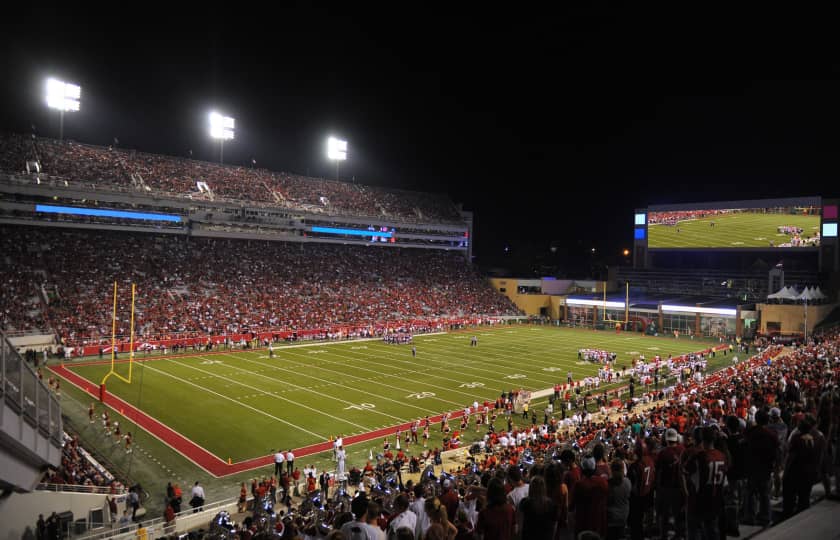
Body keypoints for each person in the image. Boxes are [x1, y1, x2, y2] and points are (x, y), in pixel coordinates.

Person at [571, 456, 608, 539]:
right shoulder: (603, 482)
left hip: (582, 523)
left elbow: (572, 505)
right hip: (598, 522)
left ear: (582, 469)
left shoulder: (579, 485)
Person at [518, 475, 556, 540]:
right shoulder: (551, 504)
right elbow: (554, 525)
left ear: (531, 488)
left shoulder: (524, 502)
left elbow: (520, 523)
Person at [606, 460, 631, 540]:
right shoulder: (627, 482)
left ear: (611, 469)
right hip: (624, 516)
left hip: (611, 517)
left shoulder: (608, 484)